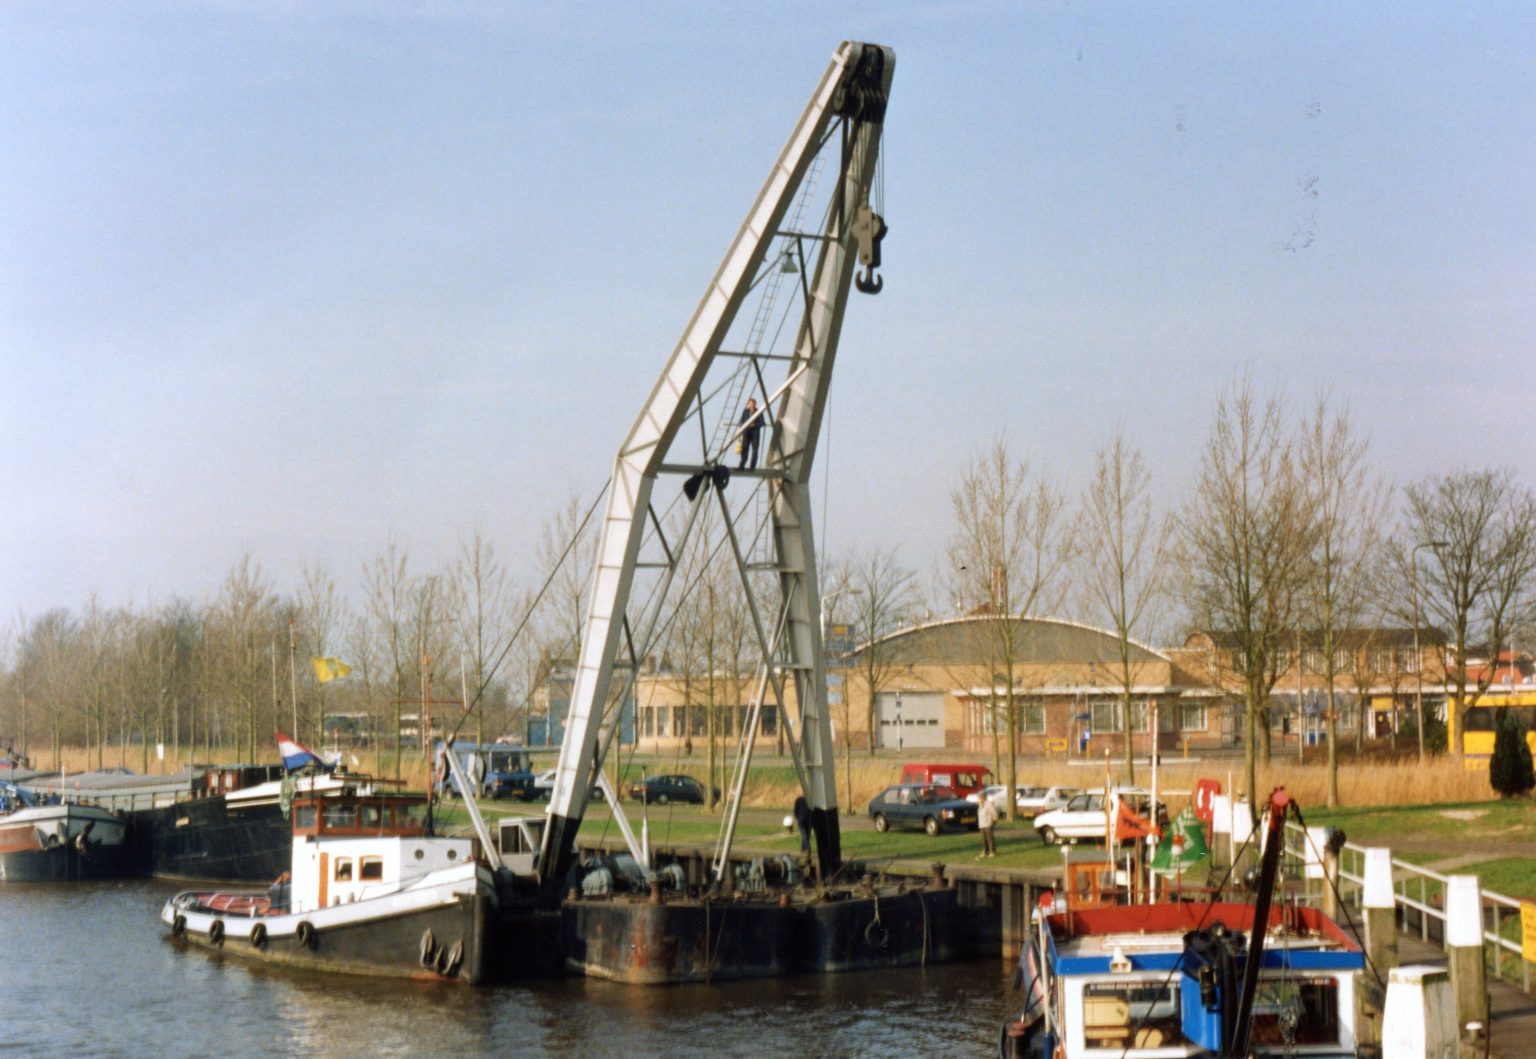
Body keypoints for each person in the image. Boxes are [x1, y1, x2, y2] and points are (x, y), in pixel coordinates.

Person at [738, 398, 762, 470]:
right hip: (746, 432)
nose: (751, 405)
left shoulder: (759, 412)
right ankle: (741, 466)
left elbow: (762, 423)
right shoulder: (745, 412)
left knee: (755, 450)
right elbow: (741, 421)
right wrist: (742, 426)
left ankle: (752, 467)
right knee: (745, 448)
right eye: (750, 403)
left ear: (755, 404)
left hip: (755, 433)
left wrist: (754, 425)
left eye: (753, 404)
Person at [977, 791, 998, 858]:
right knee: (984, 839)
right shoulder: (980, 804)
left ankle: (992, 851)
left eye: (980, 797)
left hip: (988, 823)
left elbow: (994, 812)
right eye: (979, 797)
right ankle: (986, 851)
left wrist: (994, 819)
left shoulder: (988, 804)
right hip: (982, 824)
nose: (979, 799)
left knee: (990, 838)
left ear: (984, 797)